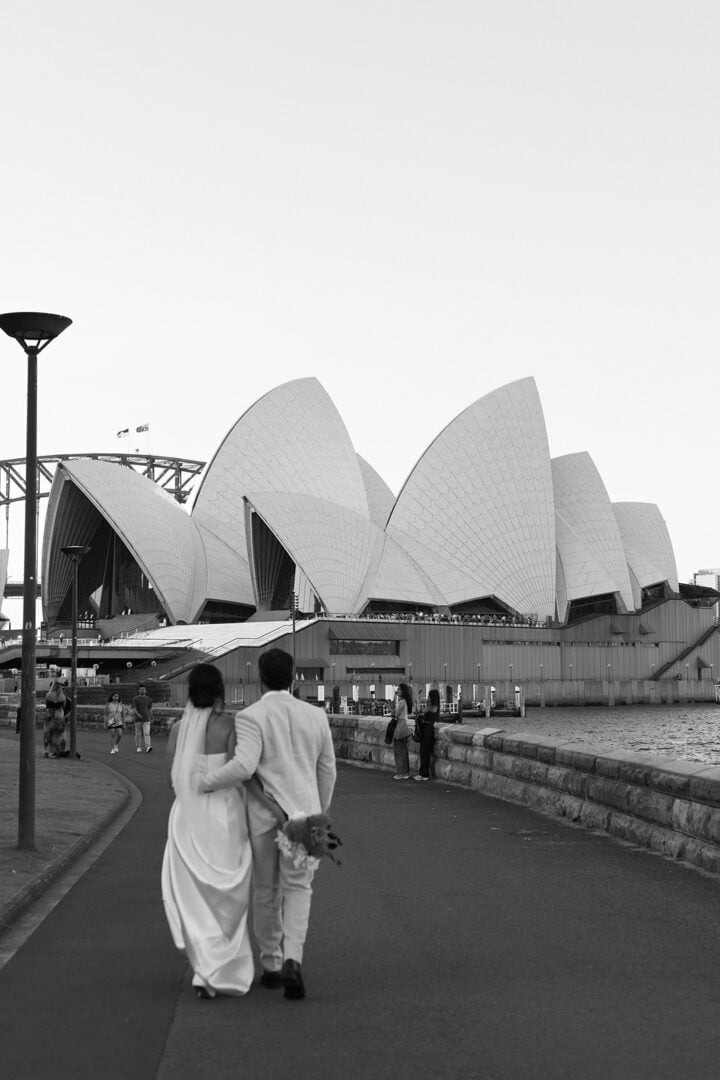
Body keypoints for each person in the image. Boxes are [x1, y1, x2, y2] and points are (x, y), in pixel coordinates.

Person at [200, 647, 336, 1001]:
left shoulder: (251, 716)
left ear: (260, 678)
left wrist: (204, 781)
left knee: (265, 890)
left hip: (263, 819)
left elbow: (244, 768)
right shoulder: (316, 715)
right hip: (306, 817)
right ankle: (294, 958)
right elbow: (328, 772)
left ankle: (272, 965)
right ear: (293, 677)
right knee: (299, 890)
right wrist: (318, 810)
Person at [161, 664, 254, 999]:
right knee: (227, 890)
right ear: (219, 691)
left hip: (188, 814)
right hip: (224, 813)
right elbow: (234, 770)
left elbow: (173, 779)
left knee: (196, 893)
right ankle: (223, 964)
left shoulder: (177, 729)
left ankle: (205, 967)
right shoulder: (229, 725)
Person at [414, 687, 440, 781]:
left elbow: (421, 711)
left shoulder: (433, 707)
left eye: (429, 696)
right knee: (424, 752)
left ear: (432, 697)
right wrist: (419, 701)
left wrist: (418, 702)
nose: (427, 697)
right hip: (427, 729)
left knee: (425, 752)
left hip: (428, 731)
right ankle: (423, 773)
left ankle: (424, 774)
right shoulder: (432, 706)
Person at [392, 682, 413, 780]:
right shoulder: (405, 701)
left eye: (399, 689)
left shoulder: (401, 702)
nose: (397, 691)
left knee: (399, 751)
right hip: (404, 725)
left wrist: (392, 705)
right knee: (404, 751)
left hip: (400, 726)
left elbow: (395, 715)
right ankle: (406, 772)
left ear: (403, 691)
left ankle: (401, 773)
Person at [43, 680, 68, 758]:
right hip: (59, 716)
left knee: (48, 734)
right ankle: (58, 751)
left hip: (49, 716)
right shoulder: (62, 697)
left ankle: (47, 751)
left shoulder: (48, 695)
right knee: (59, 735)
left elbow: (46, 704)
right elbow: (63, 706)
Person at [132, 683, 153, 752]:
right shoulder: (135, 699)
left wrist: (151, 715)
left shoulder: (149, 699)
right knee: (138, 733)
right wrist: (138, 714)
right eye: (141, 689)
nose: (142, 690)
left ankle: (148, 746)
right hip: (138, 719)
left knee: (147, 733)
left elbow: (149, 708)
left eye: (143, 689)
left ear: (145, 690)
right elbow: (134, 708)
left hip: (146, 719)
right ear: (139, 691)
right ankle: (138, 747)